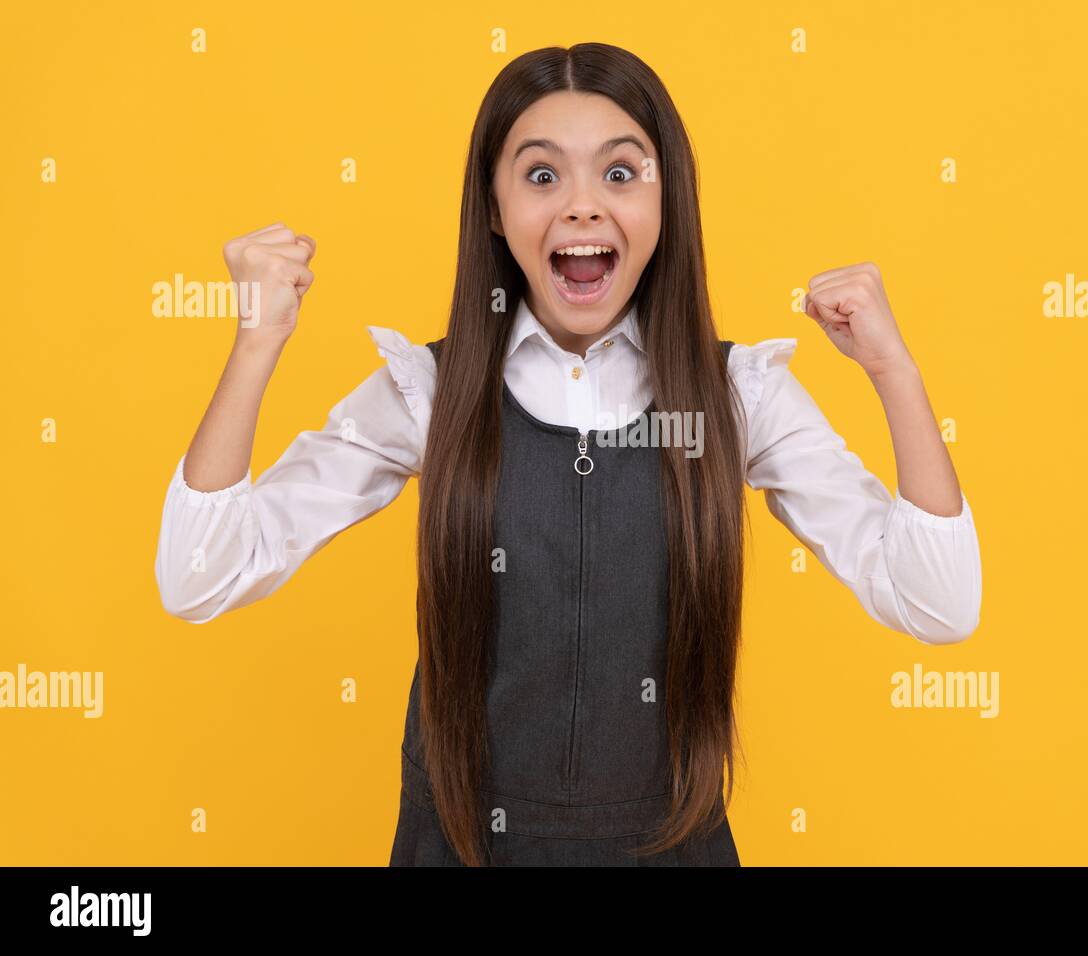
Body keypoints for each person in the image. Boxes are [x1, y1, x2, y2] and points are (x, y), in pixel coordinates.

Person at [154, 42, 982, 867]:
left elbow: (937, 605)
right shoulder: (430, 394)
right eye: (542, 175)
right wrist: (257, 344)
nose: (583, 208)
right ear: (493, 206)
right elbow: (202, 577)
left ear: (669, 203)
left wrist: (892, 372)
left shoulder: (738, 395)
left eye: (620, 174)